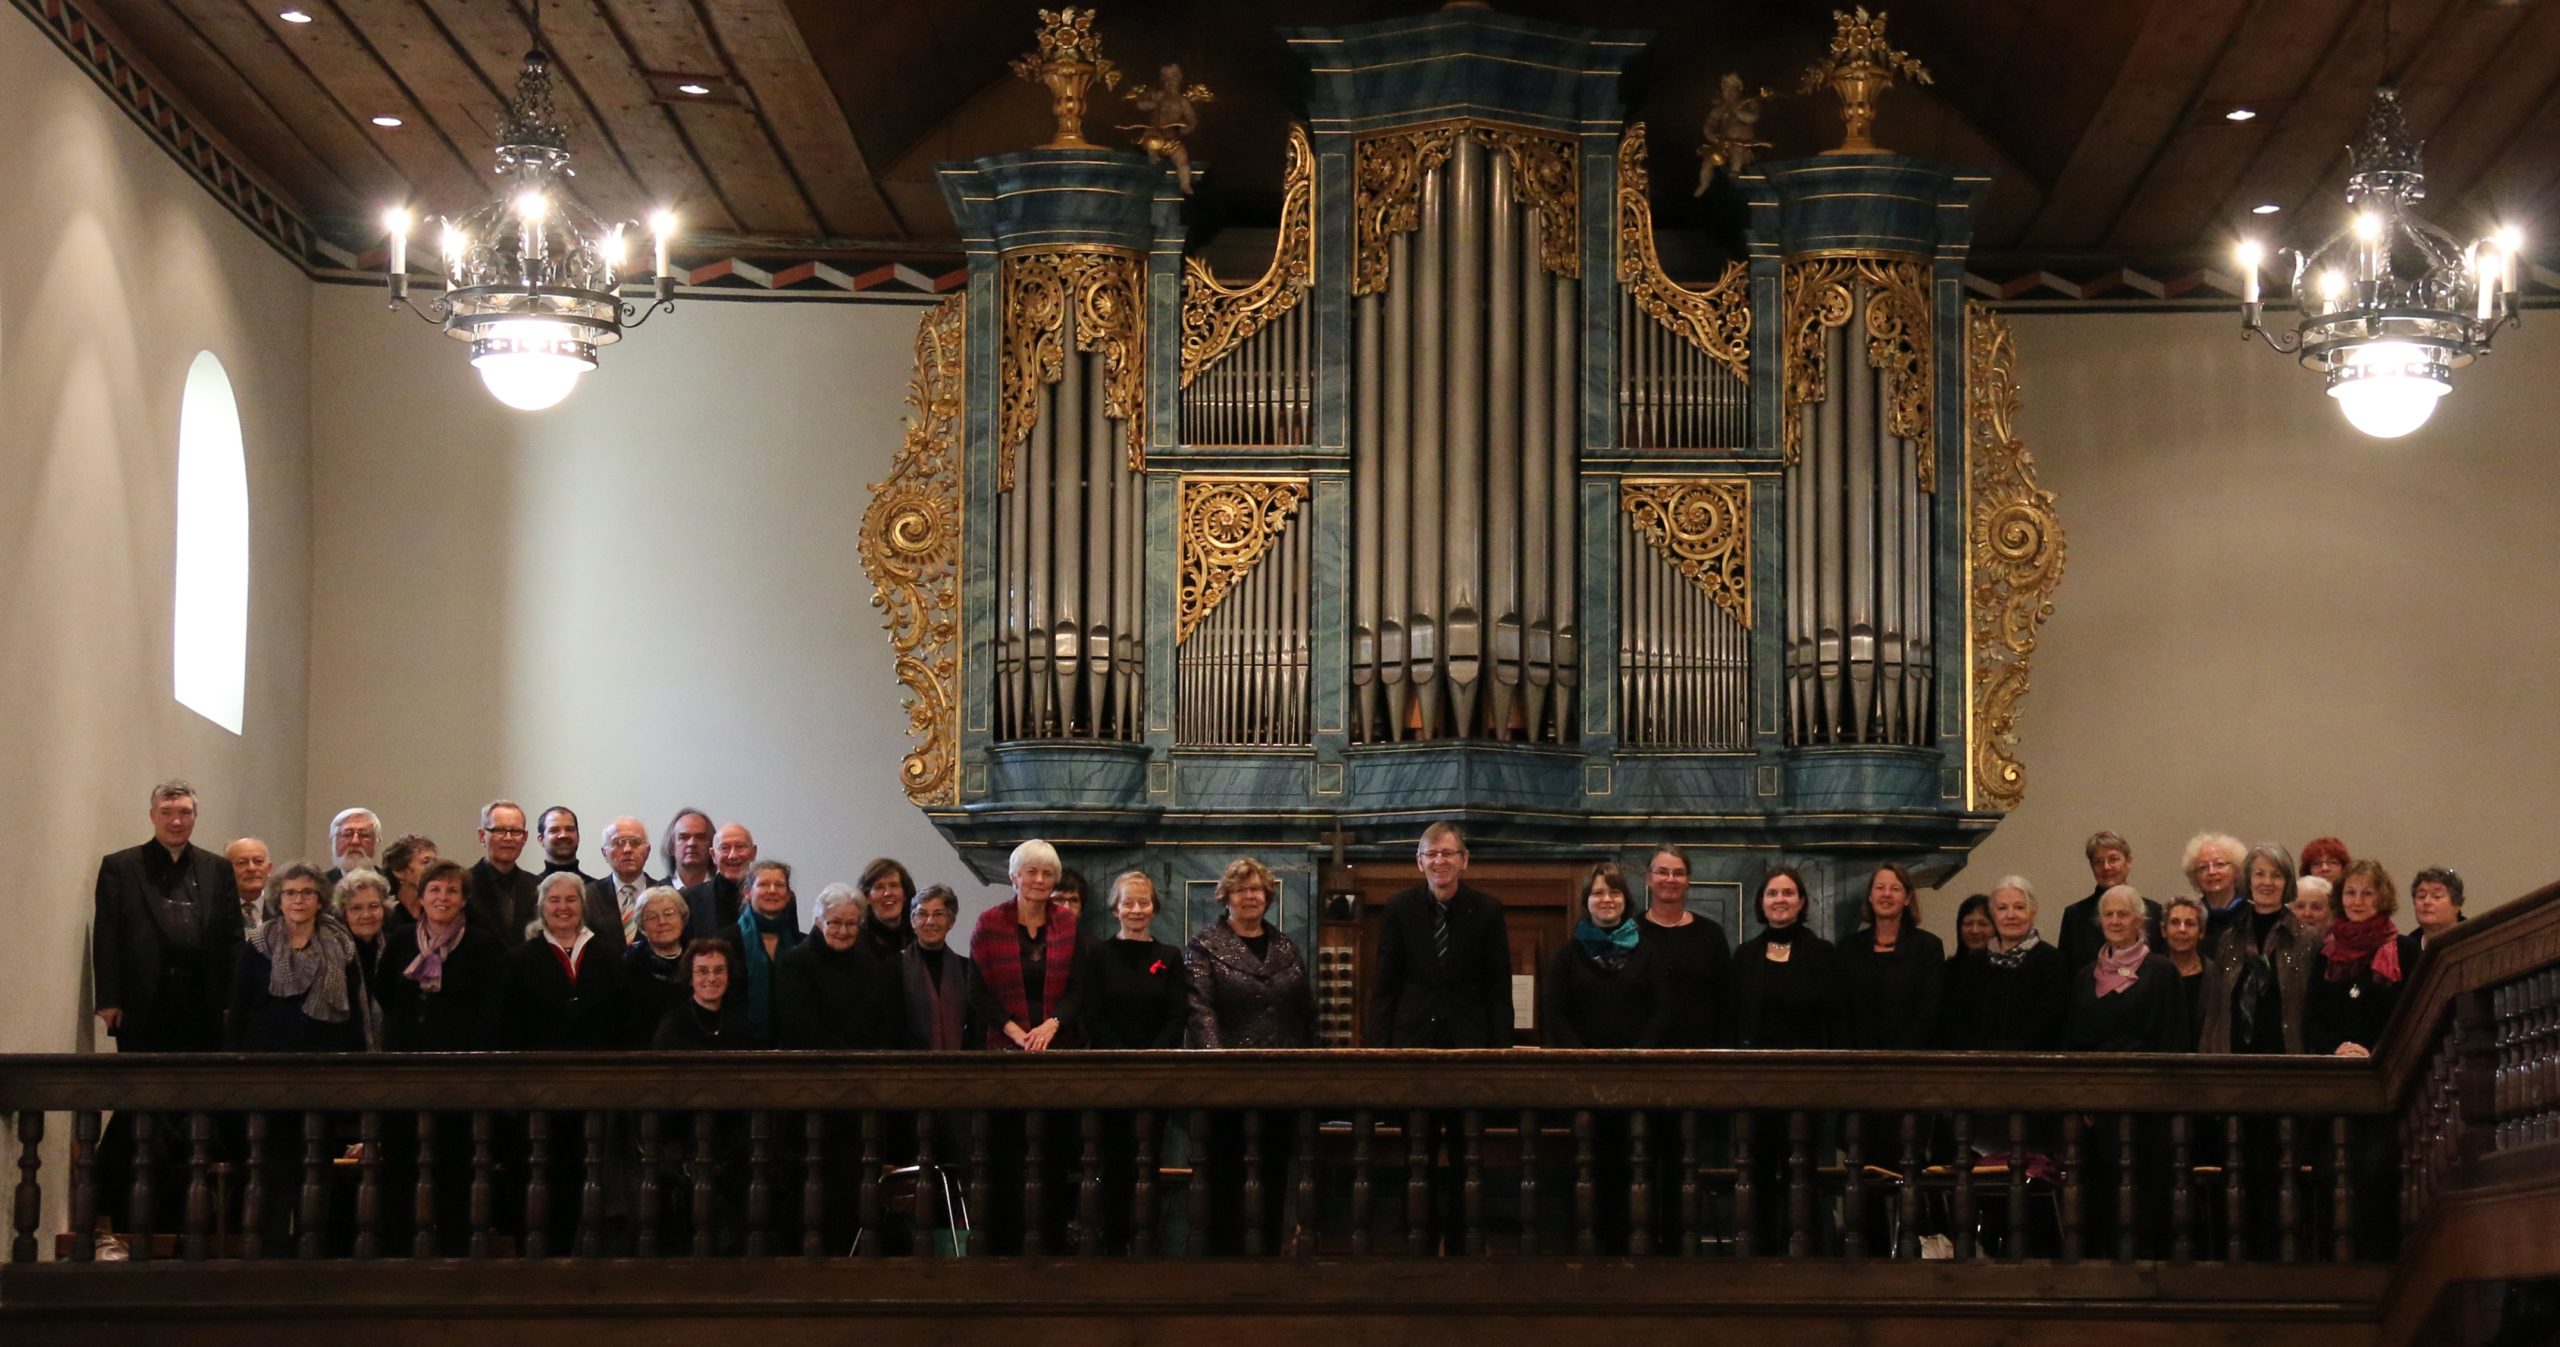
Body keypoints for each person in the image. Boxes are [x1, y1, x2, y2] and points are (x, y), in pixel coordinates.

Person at [94, 780, 244, 1052]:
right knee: (143, 1087)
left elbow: (233, 937)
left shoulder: (219, 869)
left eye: (185, 813)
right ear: (152, 815)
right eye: (166, 812)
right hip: (142, 1000)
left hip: (204, 1000)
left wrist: (232, 1000)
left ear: (195, 817)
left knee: (201, 1086)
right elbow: (106, 936)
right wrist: (108, 999)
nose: (176, 821)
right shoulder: (120, 867)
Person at [1370, 823, 1514, 1048]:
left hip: (1470, 1041)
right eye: (1431, 854)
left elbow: (1499, 992)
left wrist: (1502, 1054)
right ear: (1420, 861)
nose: (1439, 861)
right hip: (1411, 1040)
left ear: (1464, 859)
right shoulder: (1399, 908)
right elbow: (1385, 988)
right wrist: (1378, 1050)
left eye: (1447, 853)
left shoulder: (1487, 911)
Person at [225, 862, 364, 1051]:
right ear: (279, 901)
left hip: (326, 1056)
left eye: (307, 892)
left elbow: (353, 1010)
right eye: (290, 893)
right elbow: (240, 1007)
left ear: (320, 900)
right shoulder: (259, 943)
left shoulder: (341, 942)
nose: (298, 899)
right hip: (265, 1056)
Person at [377, 860, 506, 1051]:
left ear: (463, 900)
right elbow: (383, 992)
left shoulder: (482, 944)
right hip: (404, 1054)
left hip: (462, 1056)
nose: (442, 897)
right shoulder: (401, 938)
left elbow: (492, 1006)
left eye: (452, 891)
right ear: (421, 897)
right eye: (434, 889)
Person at [1185, 859, 1314, 1049]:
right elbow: (1199, 1012)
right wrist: (1215, 1062)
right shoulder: (1203, 947)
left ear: (1266, 896)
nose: (1249, 896)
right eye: (1239, 890)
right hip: (1231, 1067)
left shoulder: (1287, 947)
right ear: (1226, 898)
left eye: (1256, 889)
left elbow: (1306, 1010)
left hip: (1286, 1066)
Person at [2197, 844, 2312, 1055]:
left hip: (2287, 1059)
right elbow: (2215, 1010)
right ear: (2248, 880)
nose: (2267, 882)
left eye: (2276, 875)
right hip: (2234, 1060)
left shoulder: (2305, 940)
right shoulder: (2230, 938)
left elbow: (2313, 1012)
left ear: (2287, 883)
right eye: (2259, 874)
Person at [972, 839, 1083, 1051]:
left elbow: (1078, 988)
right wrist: (1017, 1034)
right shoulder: (989, 923)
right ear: (1015, 876)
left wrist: (1051, 1025)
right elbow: (977, 992)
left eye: (1047, 874)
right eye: (1031, 872)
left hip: (1059, 1044)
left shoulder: (1068, 923)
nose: (1039, 880)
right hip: (1004, 1045)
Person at [500, 871, 631, 1050]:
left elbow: (623, 1015)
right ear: (542, 907)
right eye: (554, 900)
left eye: (571, 900)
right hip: (539, 1065)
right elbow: (508, 1022)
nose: (563, 907)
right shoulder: (519, 960)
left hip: (599, 1064)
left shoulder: (609, 955)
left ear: (582, 905)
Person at [1541, 861, 1663, 1048]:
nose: (1607, 899)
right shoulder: (1568, 955)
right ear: (1586, 901)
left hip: (1636, 1066)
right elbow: (1554, 1012)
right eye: (1598, 893)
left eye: (1615, 892)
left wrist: (1639, 1054)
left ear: (1625, 899)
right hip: (1582, 1066)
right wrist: (1581, 1055)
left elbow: (1661, 1010)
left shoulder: (1648, 952)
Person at [1939, 877, 2068, 1051]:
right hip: (1977, 1067)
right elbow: (1959, 1021)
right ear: (1993, 914)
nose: (2010, 915)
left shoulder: (2051, 961)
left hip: (2032, 1067)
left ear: (2033, 911)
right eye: (2002, 908)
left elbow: (2050, 1023)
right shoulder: (1974, 962)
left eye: (2019, 907)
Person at [1725, 868, 1846, 1048]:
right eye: (1772, 893)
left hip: (1809, 1066)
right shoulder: (1745, 955)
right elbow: (1732, 1019)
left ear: (1801, 902)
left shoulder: (1824, 954)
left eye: (1788, 893)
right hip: (1754, 1067)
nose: (1780, 899)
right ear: (1762, 902)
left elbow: (1837, 1021)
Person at [775, 885, 903, 1049]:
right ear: (819, 922)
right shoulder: (795, 963)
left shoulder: (870, 963)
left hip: (863, 1065)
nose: (843, 931)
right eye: (835, 922)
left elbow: (882, 1019)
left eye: (851, 923)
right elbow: (799, 1025)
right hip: (810, 1065)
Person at [2067, 887, 2188, 1052]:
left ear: (2138, 920)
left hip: (2149, 1074)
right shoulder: (2086, 977)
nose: (2115, 921)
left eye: (2123, 914)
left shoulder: (2163, 971)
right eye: (2109, 914)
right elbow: (2074, 1039)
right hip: (2094, 1075)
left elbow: (2174, 1038)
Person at [1076, 872, 1186, 1049]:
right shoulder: (1098, 955)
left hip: (1160, 1063)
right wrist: (1123, 1057)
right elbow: (1092, 1015)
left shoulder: (1170, 956)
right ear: (1115, 909)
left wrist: (1153, 1056)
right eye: (1128, 904)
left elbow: (1177, 1017)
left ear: (1153, 909)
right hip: (1110, 1062)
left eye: (1144, 903)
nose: (1136, 910)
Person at [2306, 861, 2405, 1058]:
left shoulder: (2404, 950)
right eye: (2350, 893)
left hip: (2388, 1065)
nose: (2357, 902)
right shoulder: (2326, 952)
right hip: (2333, 1065)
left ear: (2382, 898)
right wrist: (2337, 1052)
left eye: (2367, 894)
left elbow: (2411, 1017)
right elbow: (2311, 1018)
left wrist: (2373, 1053)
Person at [1841, 863, 1945, 1049]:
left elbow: (1930, 1010)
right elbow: (1842, 1009)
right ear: (1870, 897)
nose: (1886, 894)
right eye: (1880, 888)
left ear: (1907, 898)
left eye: (1895, 889)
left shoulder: (1928, 947)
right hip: (1857, 1060)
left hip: (1910, 1061)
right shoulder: (1848, 947)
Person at [1636, 847, 1729, 1048]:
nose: (1670, 879)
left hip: (1700, 1053)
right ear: (1648, 878)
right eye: (1662, 872)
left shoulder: (1711, 933)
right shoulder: (1630, 932)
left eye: (1678, 873)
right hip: (1642, 1053)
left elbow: (1726, 1000)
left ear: (1688, 881)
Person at [2060, 831, 2161, 971]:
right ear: (2091, 866)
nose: (2106, 867)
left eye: (2113, 859)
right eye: (2098, 862)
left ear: (2128, 862)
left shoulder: (2154, 912)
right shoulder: (2075, 916)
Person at [902, 886, 981, 1050]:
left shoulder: (966, 969)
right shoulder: (895, 967)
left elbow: (975, 1024)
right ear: (912, 921)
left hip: (957, 1067)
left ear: (951, 922)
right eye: (922, 914)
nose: (930, 921)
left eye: (938, 914)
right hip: (906, 1066)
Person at [734, 859, 803, 1044]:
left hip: (792, 1045)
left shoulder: (802, 944)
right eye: (764, 884)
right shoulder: (727, 941)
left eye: (779, 885)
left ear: (788, 895)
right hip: (740, 1045)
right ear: (747, 893)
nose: (772, 890)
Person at [620, 888, 696, 1042]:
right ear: (642, 926)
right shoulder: (629, 963)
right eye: (652, 917)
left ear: (682, 918)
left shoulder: (698, 958)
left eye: (669, 913)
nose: (662, 922)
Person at [652, 940, 751, 1049]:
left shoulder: (739, 1027)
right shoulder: (672, 1026)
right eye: (702, 971)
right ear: (690, 978)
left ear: (728, 976)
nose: (712, 978)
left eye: (719, 970)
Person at [466, 800, 540, 946]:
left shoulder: (537, 886)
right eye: (499, 830)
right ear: (482, 836)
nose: (508, 838)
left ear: (524, 838)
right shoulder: (464, 884)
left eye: (515, 831)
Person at [337, 868, 394, 1051]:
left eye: (373, 906)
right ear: (343, 912)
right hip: (346, 1052)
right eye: (356, 908)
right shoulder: (334, 951)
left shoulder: (396, 946)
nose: (366, 915)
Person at [583, 816, 660, 950]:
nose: (627, 849)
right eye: (618, 842)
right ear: (604, 853)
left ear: (647, 851)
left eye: (635, 842)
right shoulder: (587, 896)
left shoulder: (664, 894)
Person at [683, 822, 756, 941]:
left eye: (740, 846)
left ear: (753, 853)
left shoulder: (772, 896)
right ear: (713, 855)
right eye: (724, 848)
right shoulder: (689, 899)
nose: (733, 855)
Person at [2160, 895, 2211, 1049]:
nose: (2182, 930)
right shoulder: (2151, 975)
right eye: (2175, 923)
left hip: (2207, 1066)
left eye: (2190, 924)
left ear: (2201, 932)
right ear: (2164, 930)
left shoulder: (2217, 976)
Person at [2402, 867, 2467, 971]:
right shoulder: (2406, 951)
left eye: (2436, 897)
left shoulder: (2474, 942)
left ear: (2457, 906)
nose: (2426, 902)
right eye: (2421, 896)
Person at [853, 857, 918, 959]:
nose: (888, 893)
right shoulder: (855, 942)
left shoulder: (919, 937)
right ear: (866, 898)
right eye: (879, 887)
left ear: (904, 894)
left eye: (894, 885)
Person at [2185, 832, 2248, 931]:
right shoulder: (2191, 915)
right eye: (2203, 867)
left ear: (2237, 870)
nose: (2211, 872)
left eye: (2219, 864)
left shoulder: (2251, 912)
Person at [381, 833, 437, 928]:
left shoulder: (438, 907)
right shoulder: (385, 914)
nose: (435, 868)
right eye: (426, 862)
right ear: (399, 871)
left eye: (435, 862)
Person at [662, 808, 716, 893]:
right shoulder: (654, 895)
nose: (692, 843)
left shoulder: (725, 893)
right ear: (671, 846)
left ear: (711, 845)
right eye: (683, 837)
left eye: (700, 837)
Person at [225, 837, 273, 928]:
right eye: (242, 863)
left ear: (269, 868)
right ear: (227, 869)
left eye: (258, 861)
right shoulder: (214, 912)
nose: (252, 868)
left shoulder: (282, 912)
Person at [325, 807, 381, 884]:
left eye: (364, 835)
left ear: (377, 841)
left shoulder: (394, 884)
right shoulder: (319, 886)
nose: (355, 841)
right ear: (333, 841)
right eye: (347, 834)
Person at [536, 805, 590, 881]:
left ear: (578, 836)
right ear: (541, 840)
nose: (563, 835)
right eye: (554, 830)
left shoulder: (596, 891)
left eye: (570, 829)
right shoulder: (530, 890)